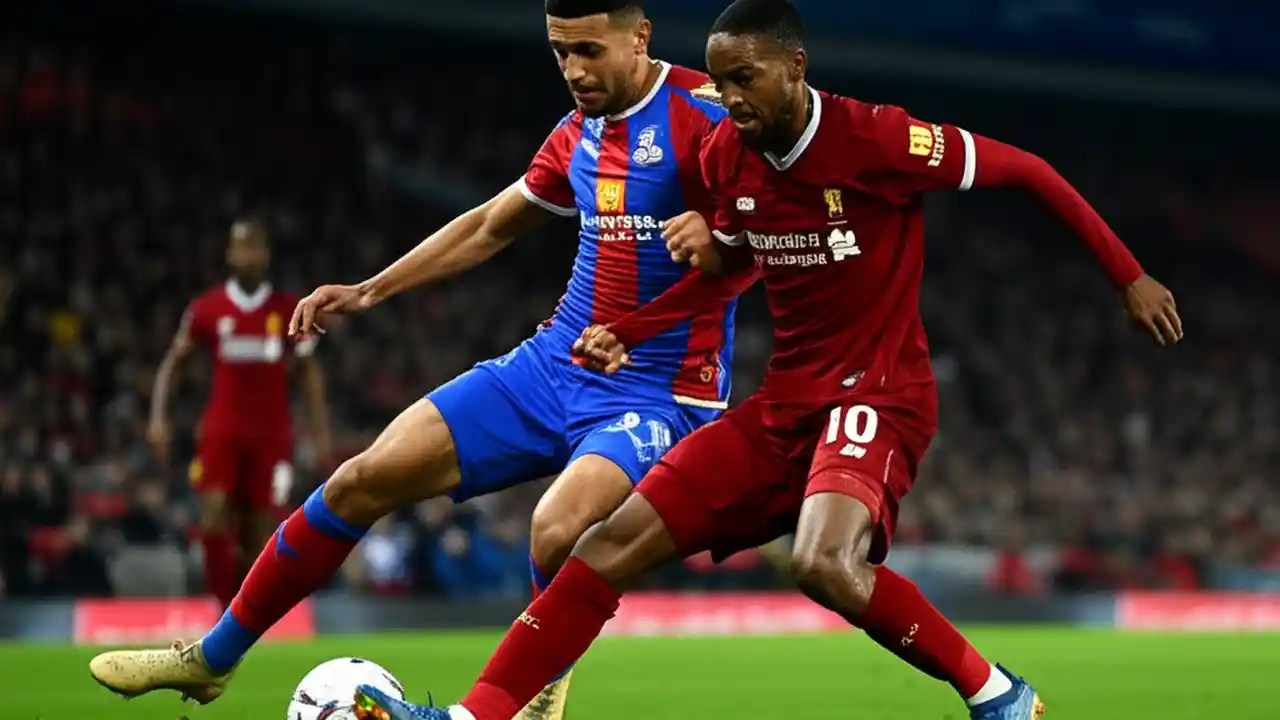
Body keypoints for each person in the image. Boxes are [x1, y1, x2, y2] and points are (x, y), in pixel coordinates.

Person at [351, 1, 1183, 719]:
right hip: (786, 404)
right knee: (603, 545)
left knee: (825, 562)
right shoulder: (725, 159)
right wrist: (637, 327)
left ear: (795, 66)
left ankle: (996, 693)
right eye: (719, 80)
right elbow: (742, 261)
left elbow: (1029, 169)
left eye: (746, 78)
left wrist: (1128, 275)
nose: (730, 98)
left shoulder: (878, 138)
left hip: (880, 394)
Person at [89, 1, 750, 718]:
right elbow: (490, 224)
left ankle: (539, 692)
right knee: (358, 480)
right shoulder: (576, 134)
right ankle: (209, 660)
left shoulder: (710, 114)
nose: (574, 70)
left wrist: (723, 236)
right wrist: (371, 291)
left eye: (589, 50)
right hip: (551, 366)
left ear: (641, 35)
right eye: (561, 52)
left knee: (557, 528)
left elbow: (775, 227)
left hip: (658, 391)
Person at [148, 219, 330, 610]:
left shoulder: (288, 310)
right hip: (222, 429)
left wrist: (320, 432)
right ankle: (221, 606)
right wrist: (158, 417)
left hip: (271, 434)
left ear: (266, 255)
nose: (247, 257)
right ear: (229, 255)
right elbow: (174, 363)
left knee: (258, 532)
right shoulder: (206, 310)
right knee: (213, 518)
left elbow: (308, 374)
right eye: (240, 248)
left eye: (255, 248)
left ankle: (248, 613)